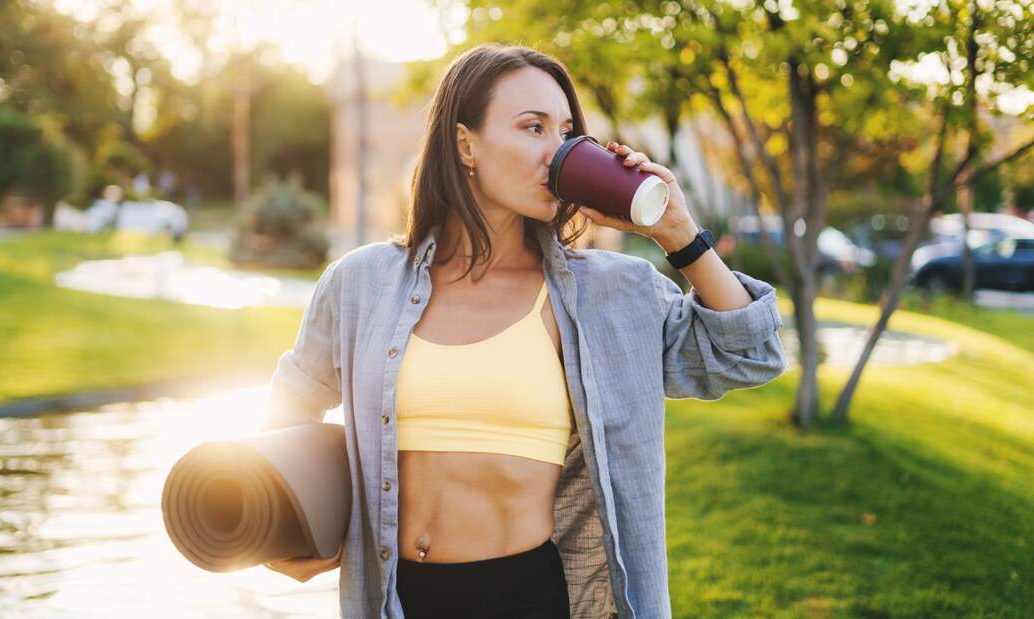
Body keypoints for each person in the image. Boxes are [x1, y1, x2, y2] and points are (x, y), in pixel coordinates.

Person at [261, 43, 786, 618]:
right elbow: (291, 401)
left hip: (528, 597)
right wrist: (286, 520)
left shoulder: (611, 292)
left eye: (566, 133)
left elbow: (747, 353)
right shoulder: (362, 282)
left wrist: (680, 235)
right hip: (396, 598)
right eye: (533, 127)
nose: (556, 152)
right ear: (465, 144)